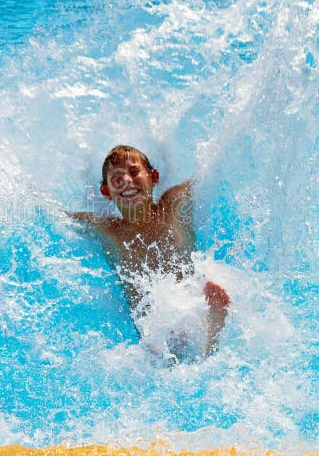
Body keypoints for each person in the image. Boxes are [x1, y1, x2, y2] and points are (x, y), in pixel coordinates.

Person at [70, 145, 230, 359]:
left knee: (195, 315)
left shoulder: (173, 207)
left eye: (134, 172)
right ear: (106, 191)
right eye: (117, 177)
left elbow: (211, 176)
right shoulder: (107, 230)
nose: (127, 180)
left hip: (191, 309)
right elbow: (58, 218)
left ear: (153, 177)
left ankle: (213, 326)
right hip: (152, 334)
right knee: (157, 342)